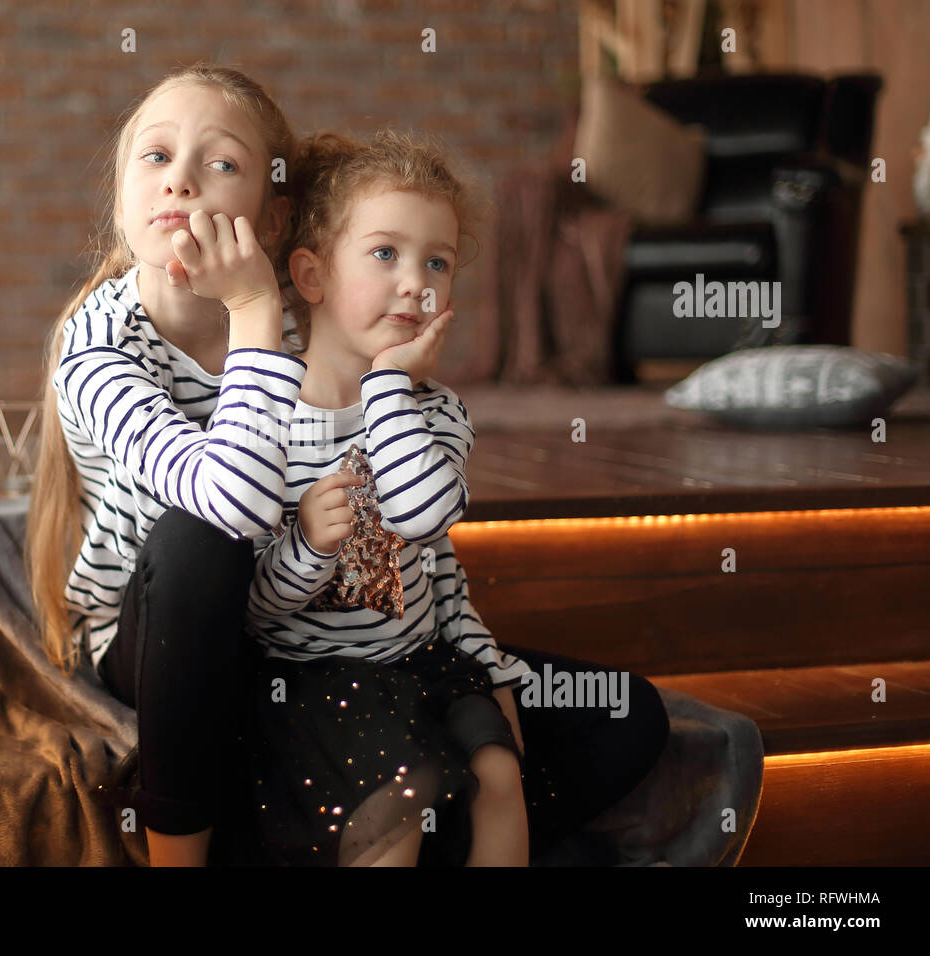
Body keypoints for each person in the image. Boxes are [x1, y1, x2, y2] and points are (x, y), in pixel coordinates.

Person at [241, 129, 671, 866]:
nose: (417, 281)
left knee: (512, 764)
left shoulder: (435, 412)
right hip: (312, 683)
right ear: (311, 275)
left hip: (422, 660)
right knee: (400, 802)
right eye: (386, 254)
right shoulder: (262, 415)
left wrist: (489, 666)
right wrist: (308, 545)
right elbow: (252, 608)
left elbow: (428, 537)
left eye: (436, 262)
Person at [25, 62, 303, 867]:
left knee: (624, 722)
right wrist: (253, 309)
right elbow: (233, 506)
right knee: (199, 538)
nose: (180, 180)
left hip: (290, 613)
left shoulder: (303, 319)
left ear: (272, 221)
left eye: (220, 164)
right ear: (122, 201)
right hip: (152, 637)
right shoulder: (98, 353)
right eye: (155, 157)